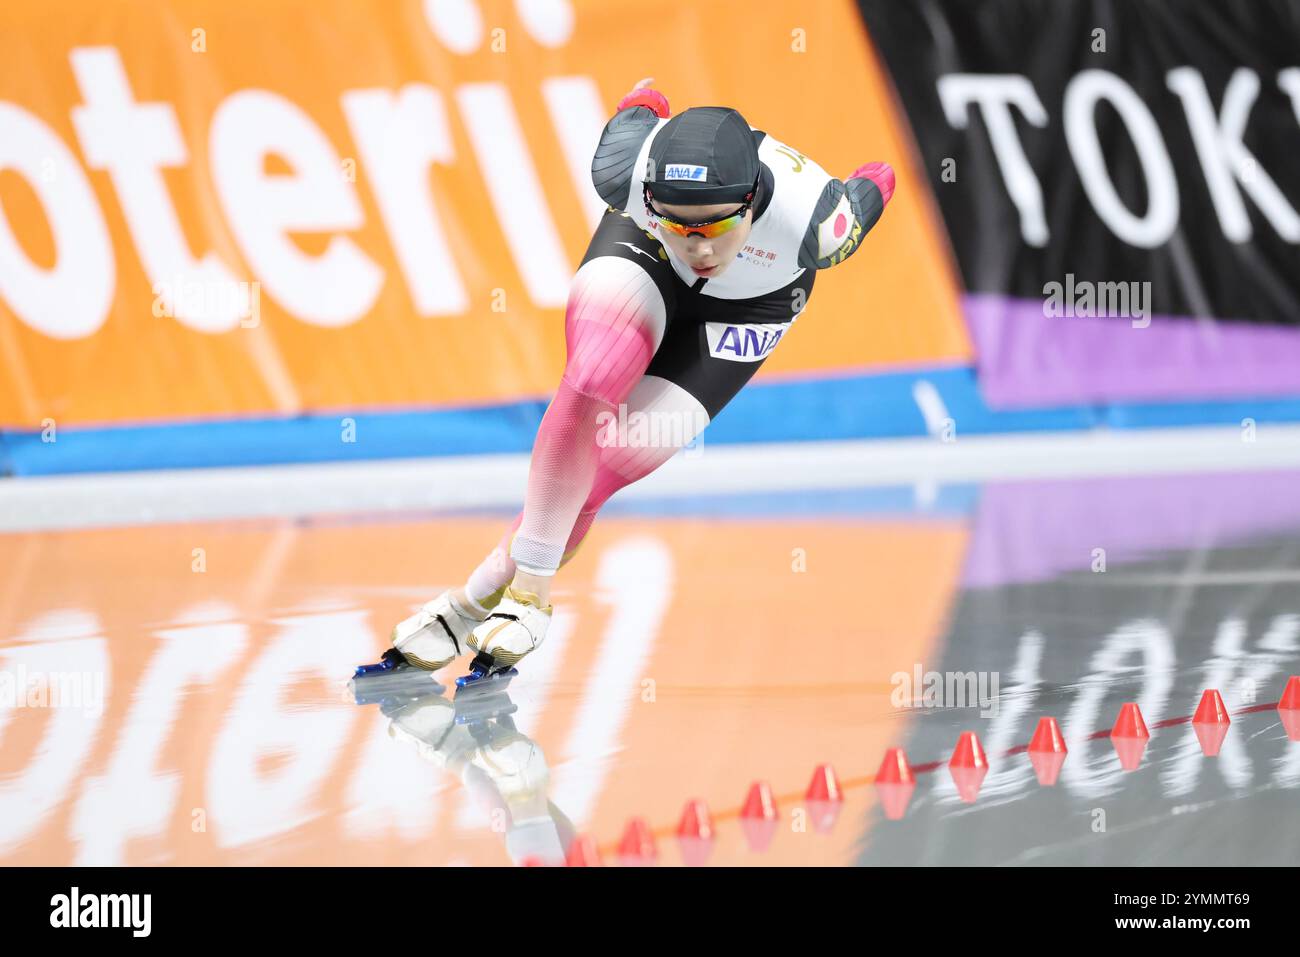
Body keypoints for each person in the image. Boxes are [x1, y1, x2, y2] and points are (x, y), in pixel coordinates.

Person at [390, 77, 894, 679]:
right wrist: (648, 109)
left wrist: (873, 177)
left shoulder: (817, 222)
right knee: (593, 375)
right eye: (679, 223)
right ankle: (529, 599)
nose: (696, 247)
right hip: (641, 250)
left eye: (712, 227)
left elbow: (874, 184)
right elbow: (642, 108)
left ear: (754, 204)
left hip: (754, 303)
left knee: (611, 464)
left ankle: (467, 606)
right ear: (651, 198)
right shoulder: (624, 173)